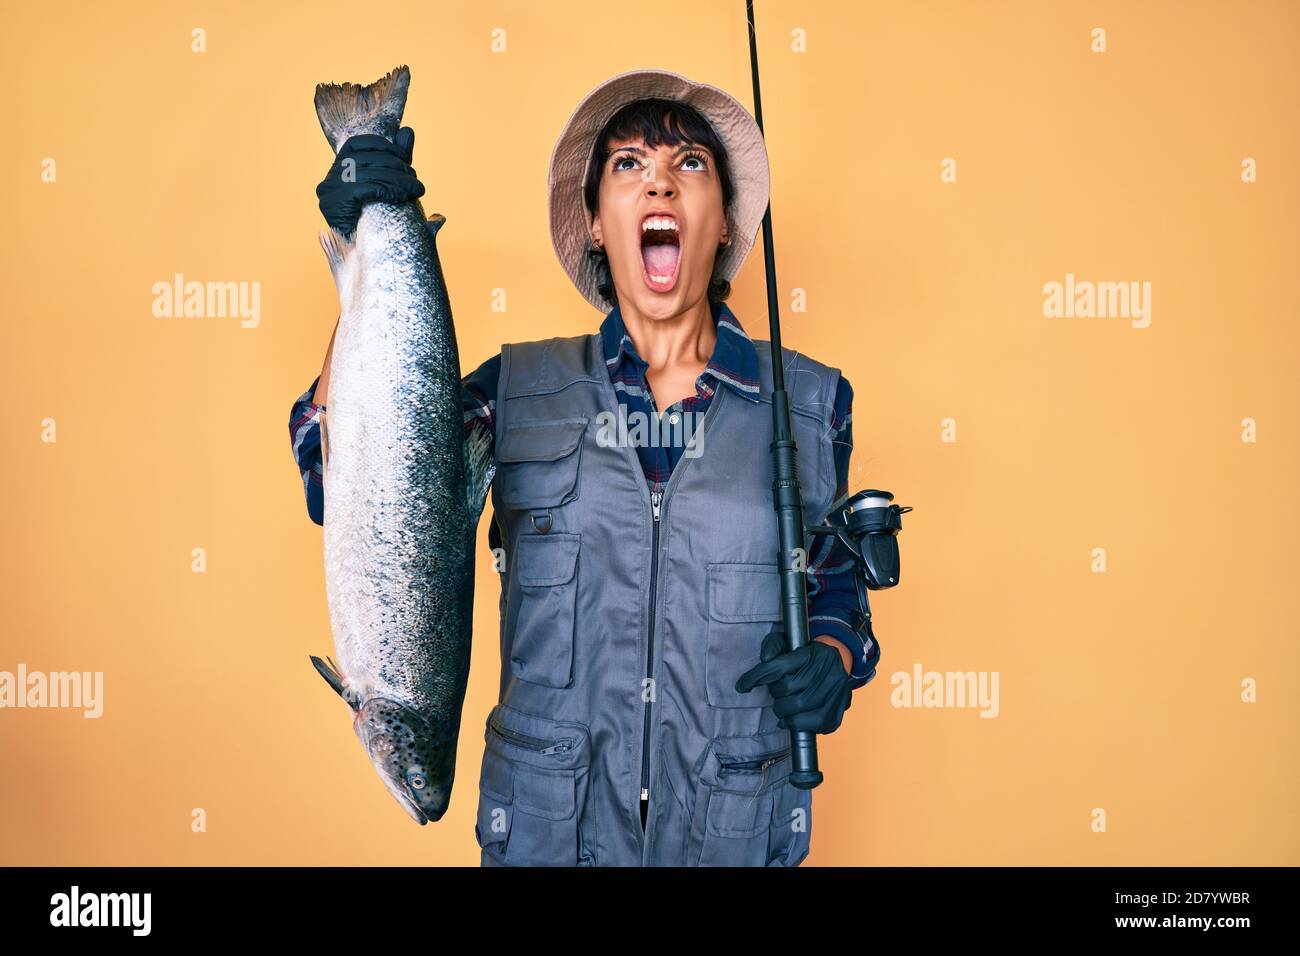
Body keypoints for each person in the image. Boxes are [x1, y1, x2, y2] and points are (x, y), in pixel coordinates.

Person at [289, 69, 882, 866]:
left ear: (723, 223)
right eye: (629, 165)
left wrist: (836, 659)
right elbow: (335, 470)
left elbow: (836, 585)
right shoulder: (516, 391)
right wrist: (369, 241)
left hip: (736, 833)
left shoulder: (812, 403)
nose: (660, 182)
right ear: (598, 224)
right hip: (546, 833)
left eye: (691, 165)